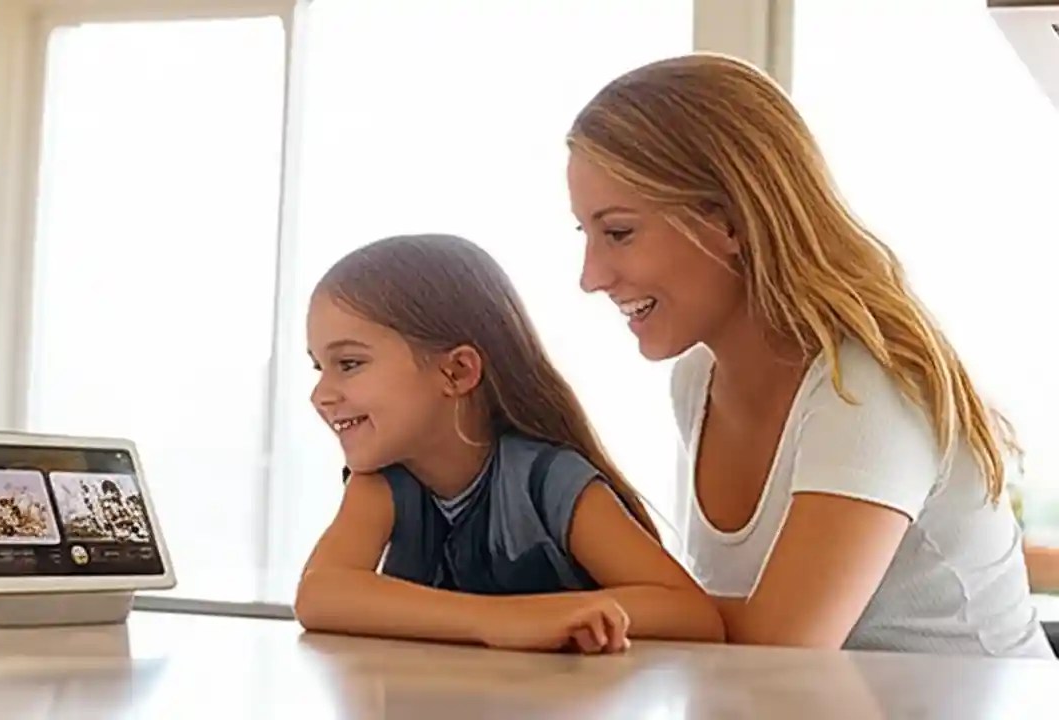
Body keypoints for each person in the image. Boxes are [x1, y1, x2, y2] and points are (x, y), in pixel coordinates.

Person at [566, 53, 1053, 657]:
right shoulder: (697, 381)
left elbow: (783, 643)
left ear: (729, 221)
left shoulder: (869, 385)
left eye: (618, 233)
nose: (591, 276)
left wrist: (561, 609)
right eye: (584, 234)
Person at [294, 233, 725, 653]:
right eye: (319, 367)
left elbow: (690, 614)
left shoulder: (550, 482)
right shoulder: (384, 484)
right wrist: (498, 619)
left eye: (348, 364)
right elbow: (320, 594)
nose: (321, 394)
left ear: (457, 372)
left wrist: (557, 615)